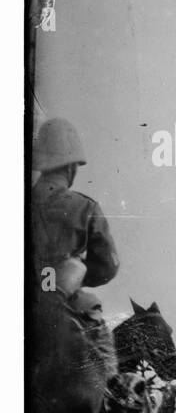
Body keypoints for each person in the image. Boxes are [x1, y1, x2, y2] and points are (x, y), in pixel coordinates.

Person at [30, 117, 119, 301]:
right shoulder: (85, 207)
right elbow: (107, 267)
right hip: (59, 303)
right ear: (71, 167)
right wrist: (74, 276)